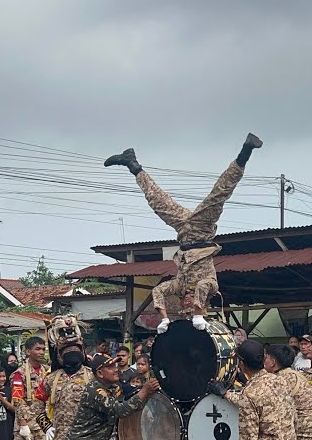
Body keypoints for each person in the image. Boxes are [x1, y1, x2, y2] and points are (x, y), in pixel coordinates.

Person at [105, 133, 263, 333]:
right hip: (201, 229)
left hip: (184, 232)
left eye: (186, 302)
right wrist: (197, 314)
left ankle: (132, 164)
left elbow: (159, 291)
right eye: (191, 302)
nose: (187, 301)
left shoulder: (180, 286)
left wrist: (164, 320)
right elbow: (204, 286)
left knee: (157, 202)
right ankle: (246, 151)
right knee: (219, 193)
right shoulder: (211, 286)